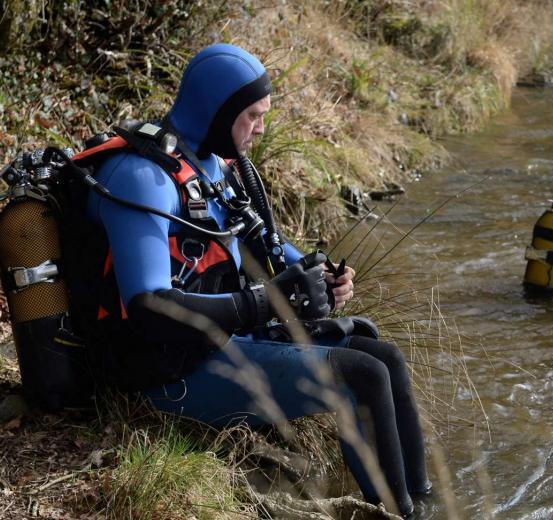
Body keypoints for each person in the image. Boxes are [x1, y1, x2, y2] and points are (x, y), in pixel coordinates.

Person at [77, 43, 429, 516]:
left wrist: (320, 275)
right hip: (166, 373)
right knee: (362, 377)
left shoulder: (215, 166)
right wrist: (263, 303)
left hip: (221, 341)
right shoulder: (141, 178)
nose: (261, 128)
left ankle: (425, 502)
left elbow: (265, 244)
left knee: (380, 353)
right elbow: (149, 305)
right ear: (215, 112)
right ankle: (397, 515)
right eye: (252, 115)